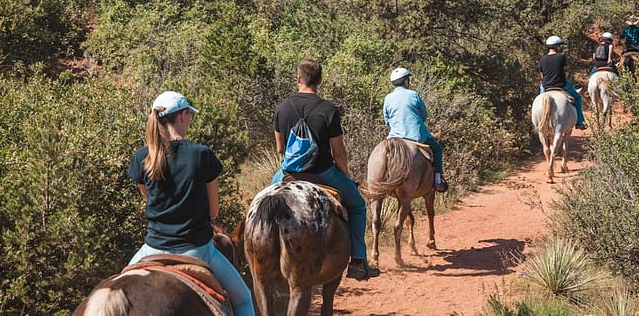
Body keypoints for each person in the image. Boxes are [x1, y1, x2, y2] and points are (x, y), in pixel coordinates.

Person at [127, 91, 255, 316]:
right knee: (244, 299)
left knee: (117, 285)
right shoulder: (202, 155)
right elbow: (213, 212)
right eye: (190, 116)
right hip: (197, 250)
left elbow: (149, 199)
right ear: (183, 116)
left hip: (153, 248)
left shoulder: (142, 157)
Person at [272, 59, 380, 280]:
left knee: (261, 204)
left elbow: (280, 149)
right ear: (320, 81)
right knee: (358, 206)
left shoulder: (281, 109)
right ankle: (358, 262)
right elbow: (339, 153)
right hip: (323, 173)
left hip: (288, 174)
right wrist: (346, 176)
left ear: (298, 79)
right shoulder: (328, 110)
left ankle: (260, 258)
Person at [383, 67, 448, 193]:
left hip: (394, 137)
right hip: (416, 136)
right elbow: (424, 115)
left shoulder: (388, 98)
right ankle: (438, 180)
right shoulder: (413, 95)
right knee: (437, 149)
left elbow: (387, 120)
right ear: (406, 81)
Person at [538, 35, 587, 130]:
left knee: (540, 100)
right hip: (561, 84)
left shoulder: (542, 59)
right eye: (560, 45)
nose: (560, 47)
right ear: (556, 46)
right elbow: (561, 70)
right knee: (577, 97)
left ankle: (539, 121)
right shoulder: (561, 56)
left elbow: (542, 75)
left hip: (546, 85)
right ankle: (580, 122)